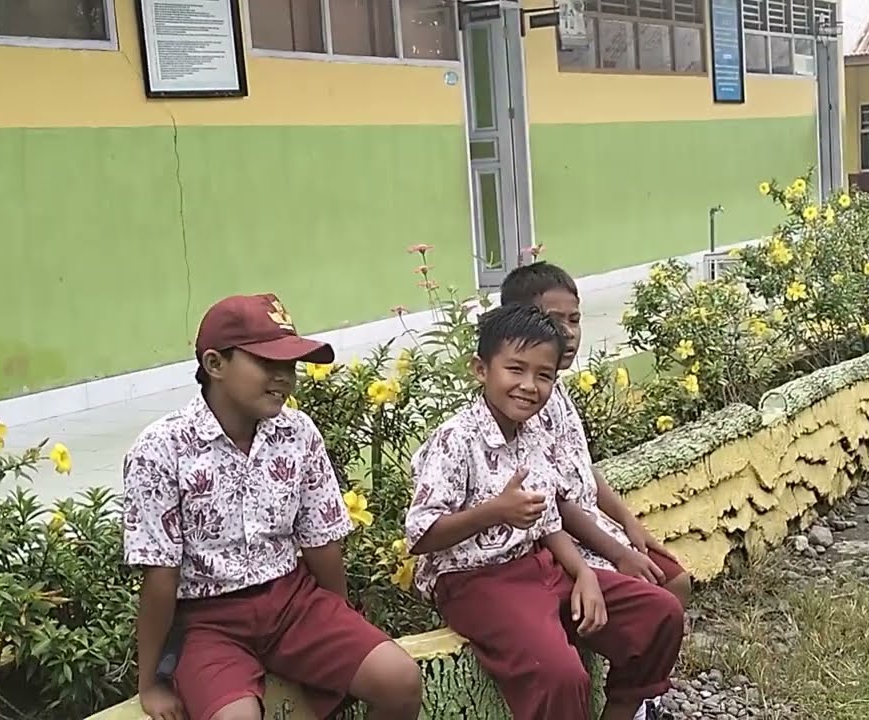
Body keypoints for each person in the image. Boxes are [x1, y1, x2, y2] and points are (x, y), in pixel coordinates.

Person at [123, 293, 422, 720]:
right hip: (208, 622)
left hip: (293, 603)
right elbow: (160, 575)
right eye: (267, 363)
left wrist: (342, 623)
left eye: (290, 365)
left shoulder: (298, 433)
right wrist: (150, 681)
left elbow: (321, 540)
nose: (283, 377)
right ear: (215, 364)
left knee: (399, 680)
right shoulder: (161, 448)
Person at [405, 303, 685, 720]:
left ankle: (623, 710)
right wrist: (494, 511)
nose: (529, 386)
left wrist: (584, 573)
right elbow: (421, 534)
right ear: (481, 369)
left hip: (540, 566)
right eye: (515, 370)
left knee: (660, 613)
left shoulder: (533, 434)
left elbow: (549, 521)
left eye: (544, 375)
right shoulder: (455, 440)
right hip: (474, 581)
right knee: (560, 676)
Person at [501, 262, 692, 720]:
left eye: (575, 319)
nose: (568, 333)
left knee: (676, 581)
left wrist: (629, 525)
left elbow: (584, 471)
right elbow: (555, 503)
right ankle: (627, 701)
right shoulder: (524, 402)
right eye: (554, 321)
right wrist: (618, 552)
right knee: (654, 590)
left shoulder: (557, 392)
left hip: (594, 528)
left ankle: (638, 696)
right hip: (563, 542)